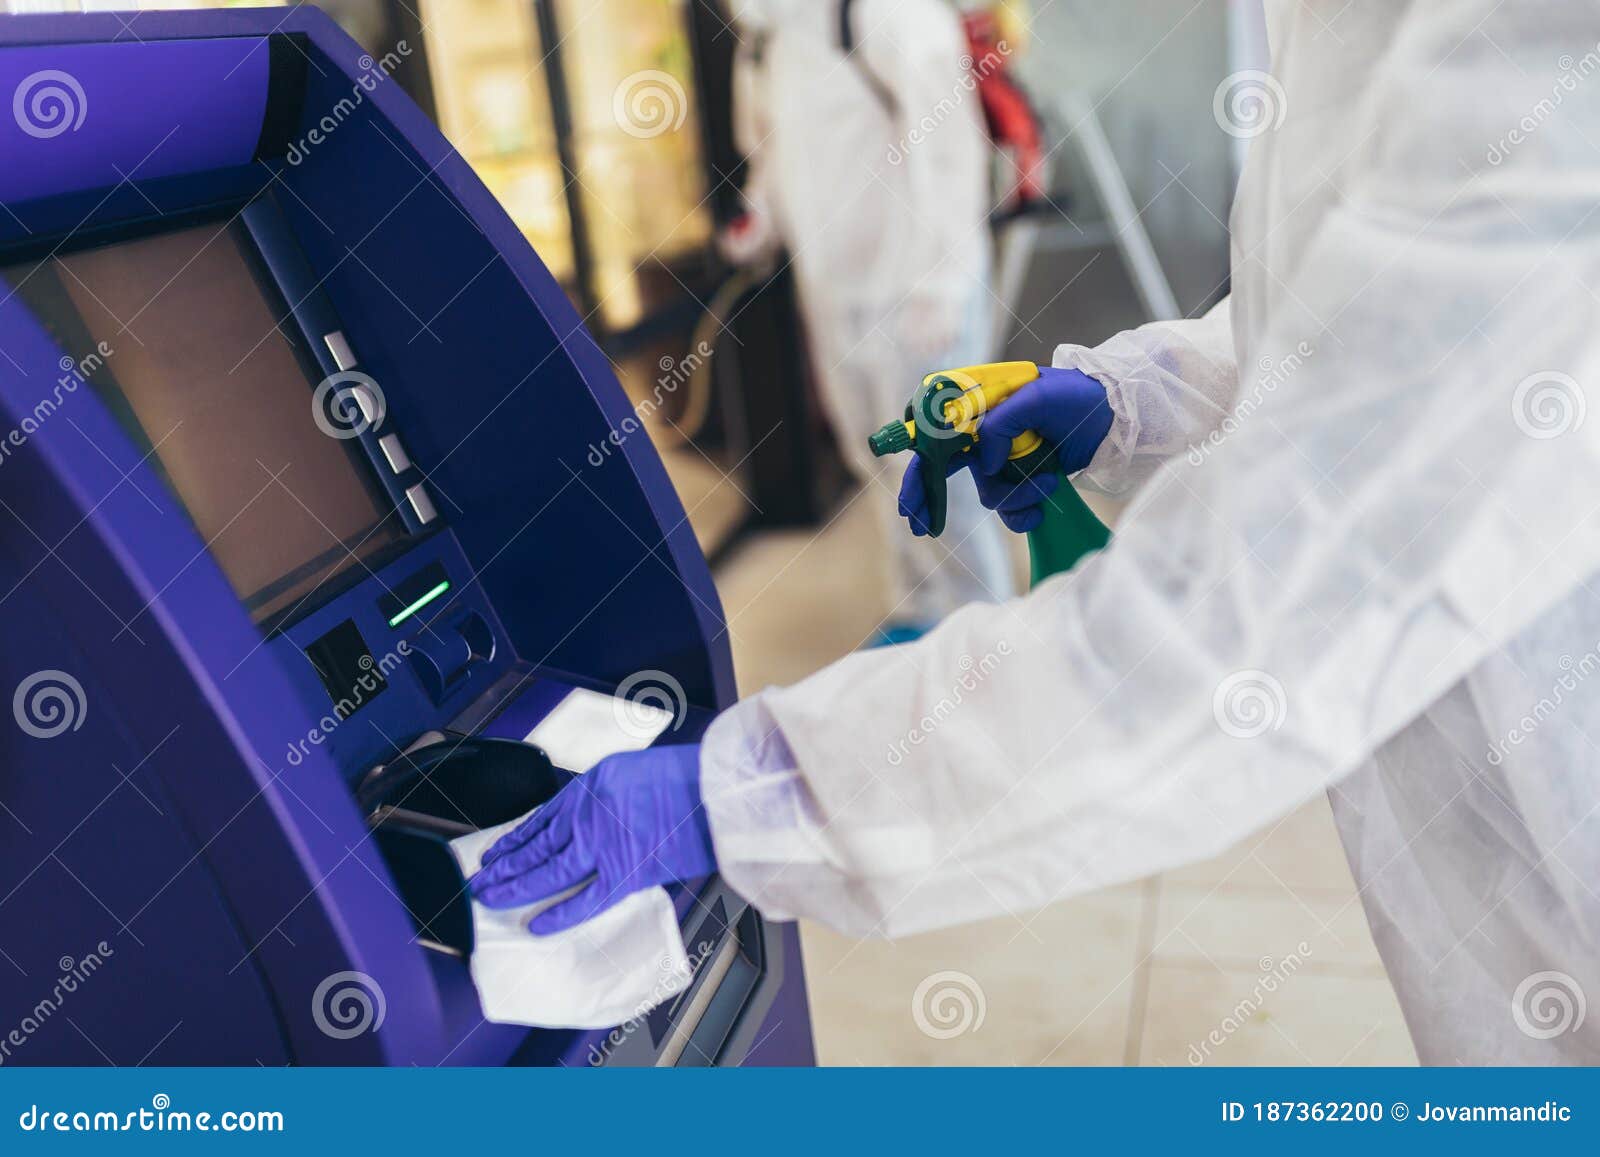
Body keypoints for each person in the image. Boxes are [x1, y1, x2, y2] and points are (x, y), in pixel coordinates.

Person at [474, 1, 1600, 1063]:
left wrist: (759, 794)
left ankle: (943, 613)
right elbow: (1356, 336)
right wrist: (1126, 395)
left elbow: (1231, 630)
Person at [718, 0, 1016, 643]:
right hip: (833, 288)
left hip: (915, 293)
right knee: (877, 459)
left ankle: (987, 638)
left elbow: (949, 152)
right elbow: (777, 152)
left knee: (945, 472)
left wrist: (942, 282)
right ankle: (920, 613)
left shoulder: (888, 14)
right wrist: (761, 217)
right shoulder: (766, 41)